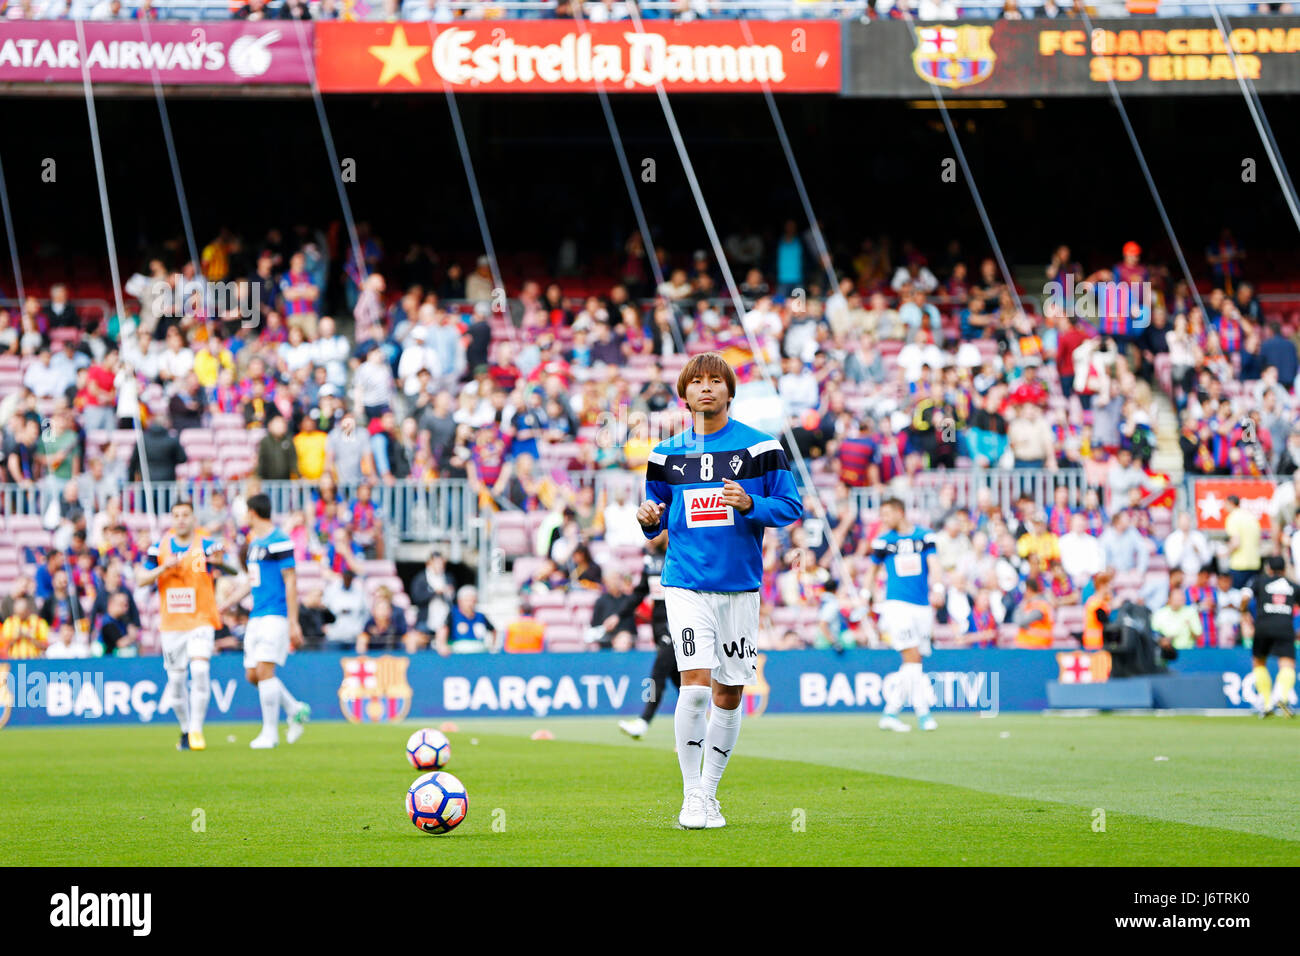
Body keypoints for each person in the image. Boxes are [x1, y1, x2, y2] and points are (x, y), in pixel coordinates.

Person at [637, 351, 801, 830]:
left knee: (729, 695)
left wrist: (751, 502)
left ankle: (710, 793)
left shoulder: (761, 449)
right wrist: (649, 520)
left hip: (740, 589)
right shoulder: (664, 454)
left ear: (730, 391)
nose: (705, 388)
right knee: (694, 690)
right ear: (684, 393)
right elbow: (658, 512)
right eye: (696, 382)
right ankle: (691, 797)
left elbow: (790, 507)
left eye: (715, 381)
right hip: (685, 584)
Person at [217, 493, 310, 748]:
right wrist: (227, 603)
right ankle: (294, 709)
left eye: (245, 512)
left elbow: (291, 580)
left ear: (253, 513)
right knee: (252, 675)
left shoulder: (279, 541)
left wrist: (293, 621)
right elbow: (251, 580)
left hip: (275, 614)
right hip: (257, 614)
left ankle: (270, 733)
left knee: (265, 671)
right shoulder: (255, 543)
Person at [136, 501, 226, 752]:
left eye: (186, 514)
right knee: (175, 682)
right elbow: (141, 579)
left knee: (199, 670)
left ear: (193, 517)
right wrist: (165, 567)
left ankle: (197, 729)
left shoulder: (206, 544)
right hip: (173, 625)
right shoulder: (160, 548)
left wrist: (218, 560)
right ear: (171, 519)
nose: (181, 519)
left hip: (200, 619)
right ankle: (186, 728)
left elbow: (226, 565)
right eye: (176, 515)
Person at [868, 497, 939, 731]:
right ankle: (923, 714)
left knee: (914, 661)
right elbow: (872, 571)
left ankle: (891, 712)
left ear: (900, 512)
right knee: (912, 656)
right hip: (897, 605)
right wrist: (866, 594)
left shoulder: (924, 536)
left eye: (887, 514)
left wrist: (938, 588)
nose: (884, 519)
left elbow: (935, 564)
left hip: (922, 605)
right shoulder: (883, 541)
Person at [618, 531, 678, 740]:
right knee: (680, 681)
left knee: (658, 674)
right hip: (659, 627)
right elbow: (639, 592)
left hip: (677, 625)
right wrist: (618, 616)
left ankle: (644, 721)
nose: (650, 535)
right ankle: (701, 725)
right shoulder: (651, 561)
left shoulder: (679, 554)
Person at [1243, 555, 1297, 718]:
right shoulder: (1293, 585)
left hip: (1263, 626)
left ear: (1268, 569)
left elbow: (1245, 597)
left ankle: (1266, 703)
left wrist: (1243, 612)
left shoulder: (1259, 581)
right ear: (1284, 569)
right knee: (1287, 664)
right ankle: (1283, 697)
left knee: (1259, 662)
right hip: (1285, 627)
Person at [1224, 495, 1262, 590]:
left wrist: (1225, 553)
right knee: (1250, 595)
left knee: (1237, 597)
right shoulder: (1251, 517)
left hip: (1239, 565)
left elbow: (1236, 543)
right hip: (1254, 563)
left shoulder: (1232, 518)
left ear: (1231, 504)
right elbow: (1259, 541)